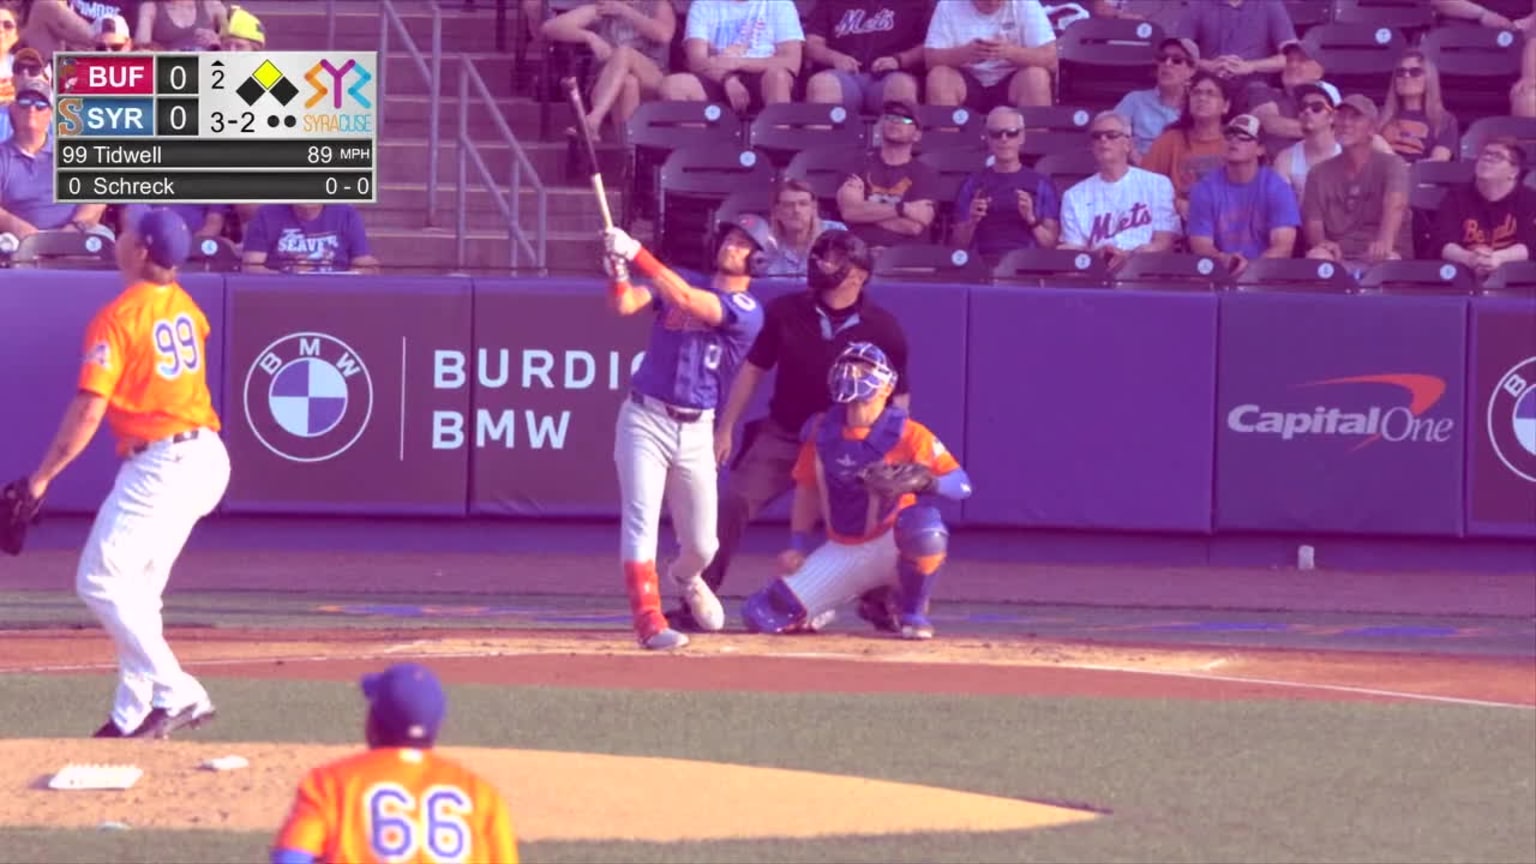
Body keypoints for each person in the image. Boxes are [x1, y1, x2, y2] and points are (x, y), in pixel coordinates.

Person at [22, 209, 226, 739]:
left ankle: (179, 691)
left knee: (99, 579)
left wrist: (41, 477)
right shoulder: (185, 304)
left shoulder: (119, 317)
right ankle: (132, 712)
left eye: (130, 232)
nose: (121, 236)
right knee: (137, 593)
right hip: (203, 456)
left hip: (165, 462)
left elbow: (90, 409)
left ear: (140, 251)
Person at [668, 229, 910, 633]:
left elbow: (898, 396)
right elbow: (752, 371)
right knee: (733, 501)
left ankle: (881, 601)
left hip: (848, 441)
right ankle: (698, 598)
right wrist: (725, 428)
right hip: (784, 433)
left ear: (859, 274)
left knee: (877, 512)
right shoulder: (784, 310)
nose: (822, 264)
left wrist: (892, 448)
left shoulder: (884, 328)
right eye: (820, 255)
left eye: (835, 259)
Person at [600, 216, 767, 650]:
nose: (732, 246)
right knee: (641, 520)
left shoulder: (749, 311)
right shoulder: (681, 279)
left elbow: (692, 302)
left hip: (697, 430)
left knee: (703, 545)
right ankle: (649, 621)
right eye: (730, 238)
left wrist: (636, 252)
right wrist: (618, 271)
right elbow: (626, 304)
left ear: (759, 260)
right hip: (646, 417)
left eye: (744, 243)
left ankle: (686, 577)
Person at [740, 341, 973, 641]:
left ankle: (910, 611)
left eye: (863, 370)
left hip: (892, 543)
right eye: (848, 366)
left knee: (925, 527)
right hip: (844, 547)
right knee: (762, 615)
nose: (852, 373)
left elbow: (962, 485)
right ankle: (844, 599)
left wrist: (929, 482)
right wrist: (797, 545)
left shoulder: (909, 433)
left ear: (886, 386)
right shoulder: (822, 431)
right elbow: (808, 490)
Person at [271, 663, 520, 864]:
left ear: (373, 723)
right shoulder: (481, 794)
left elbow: (291, 857)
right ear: (437, 725)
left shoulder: (330, 784)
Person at [1058, 110, 1180, 270]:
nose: (1103, 140)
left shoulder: (1157, 184)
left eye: (1112, 135)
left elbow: (1165, 243)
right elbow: (1073, 252)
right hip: (1097, 273)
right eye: (1097, 136)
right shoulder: (1074, 196)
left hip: (1146, 272)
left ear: (1128, 144)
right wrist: (1096, 255)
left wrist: (1129, 256)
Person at [1302, 94, 1410, 270]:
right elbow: (1313, 222)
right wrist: (1323, 244)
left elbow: (1395, 205)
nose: (1346, 123)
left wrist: (1384, 242)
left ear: (1372, 129)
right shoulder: (1318, 173)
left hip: (1382, 255)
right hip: (1339, 256)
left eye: (1355, 117)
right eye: (1341, 116)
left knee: (1388, 260)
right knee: (1317, 256)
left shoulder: (1392, 164)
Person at [543, 0, 675, 142]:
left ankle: (594, 119)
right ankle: (628, 150)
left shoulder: (657, 4)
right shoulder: (605, 8)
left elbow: (664, 34)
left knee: (624, 53)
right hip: (605, 85)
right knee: (628, 82)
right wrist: (590, 37)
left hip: (652, 81)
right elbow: (549, 28)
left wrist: (625, 11)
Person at [1186, 113, 1300, 275]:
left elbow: (1283, 248)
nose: (1234, 141)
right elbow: (1200, 245)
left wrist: (1250, 268)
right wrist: (1223, 259)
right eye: (1229, 135)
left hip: (1265, 275)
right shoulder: (1204, 189)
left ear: (1260, 149)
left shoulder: (1277, 188)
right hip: (1218, 273)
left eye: (1244, 137)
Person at [0, 75, 110, 239]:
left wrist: (75, 227)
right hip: (16, 239)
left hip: (75, 234)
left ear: (50, 114)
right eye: (24, 103)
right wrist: (18, 228)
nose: (32, 109)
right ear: (13, 109)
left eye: (40, 105)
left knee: (103, 239)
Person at [951, 105, 1060, 263]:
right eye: (996, 134)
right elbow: (957, 246)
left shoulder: (1041, 183)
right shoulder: (971, 184)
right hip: (981, 265)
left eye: (1011, 133)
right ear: (987, 138)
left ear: (1022, 137)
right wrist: (972, 222)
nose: (1004, 139)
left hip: (1027, 266)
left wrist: (1031, 219)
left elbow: (1051, 246)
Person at [657, 0, 804, 114]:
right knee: (673, 86)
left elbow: (791, 62)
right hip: (716, 76)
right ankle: (697, 143)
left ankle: (777, 141)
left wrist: (737, 63)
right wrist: (727, 79)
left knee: (778, 77)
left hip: (763, 75)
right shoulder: (703, 5)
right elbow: (697, 61)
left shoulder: (780, 4)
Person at [836, 98, 939, 251]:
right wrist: (902, 209)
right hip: (859, 254)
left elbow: (914, 226)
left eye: (905, 119)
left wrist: (866, 213)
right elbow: (850, 212)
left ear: (917, 135)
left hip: (905, 257)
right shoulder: (857, 165)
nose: (895, 121)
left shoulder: (925, 174)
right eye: (890, 117)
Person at [923, 0, 1057, 110]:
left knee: (1036, 77)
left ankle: (1036, 134)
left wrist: (1010, 52)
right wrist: (964, 54)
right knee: (939, 76)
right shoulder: (948, 5)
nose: (992, 2)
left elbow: (1051, 59)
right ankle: (945, 135)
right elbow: (930, 59)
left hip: (1011, 82)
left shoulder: (1026, 4)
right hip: (966, 81)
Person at [1434, 136, 1536, 278]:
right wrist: (1469, 258)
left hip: (1515, 279)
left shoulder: (1530, 199)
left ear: (1513, 171)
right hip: (1462, 277)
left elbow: (1531, 245)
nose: (1487, 158)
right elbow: (1443, 242)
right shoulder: (1455, 197)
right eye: (1485, 153)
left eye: (1498, 156)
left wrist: (1499, 258)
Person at [1141, 71, 1234, 221]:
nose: (1202, 98)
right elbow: (1145, 185)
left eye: (1211, 94)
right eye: (1196, 93)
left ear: (1226, 106)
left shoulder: (1236, 142)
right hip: (1176, 222)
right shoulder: (1169, 140)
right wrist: (1176, 203)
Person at [802, 0, 925, 113]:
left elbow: (930, 46)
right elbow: (811, 44)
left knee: (902, 86)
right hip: (843, 77)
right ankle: (820, 131)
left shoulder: (916, 3)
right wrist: (835, 58)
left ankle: (897, 131)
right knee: (822, 85)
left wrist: (899, 60)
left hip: (891, 76)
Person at [1112, 36, 1197, 159]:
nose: (1167, 64)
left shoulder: (1198, 107)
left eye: (1177, 60)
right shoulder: (1135, 101)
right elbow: (1109, 132)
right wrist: (1134, 155)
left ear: (1191, 71)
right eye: (1163, 58)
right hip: (1138, 168)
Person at [239, 204, 380, 274]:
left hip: (335, 294)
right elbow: (251, 266)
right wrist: (286, 277)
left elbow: (362, 262)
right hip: (281, 295)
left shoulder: (347, 214)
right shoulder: (266, 214)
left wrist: (367, 268)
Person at [755, 177, 848, 278]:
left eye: (803, 204)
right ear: (777, 211)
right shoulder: (764, 242)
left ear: (813, 208)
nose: (796, 210)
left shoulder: (835, 233)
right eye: (788, 205)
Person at [1378, 51, 1458, 166]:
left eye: (1415, 72)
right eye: (1400, 72)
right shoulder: (1379, 115)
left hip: (1420, 175)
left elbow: (1438, 162)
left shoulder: (1445, 120)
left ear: (1429, 79)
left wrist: (1406, 168)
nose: (1406, 76)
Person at [1272, 80, 1341, 204]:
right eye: (1303, 106)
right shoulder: (1285, 159)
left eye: (1317, 107)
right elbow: (1281, 209)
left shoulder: (1350, 155)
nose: (1307, 111)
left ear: (1333, 117)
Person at [1247, 39, 1326, 141]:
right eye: (1289, 60)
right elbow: (1271, 124)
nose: (1292, 65)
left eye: (1302, 60)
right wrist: (1324, 129)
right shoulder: (1262, 92)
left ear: (1319, 71)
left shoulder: (1328, 97)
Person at [135, 0, 226, 51]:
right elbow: (141, 49)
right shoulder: (149, 8)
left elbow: (231, 46)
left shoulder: (212, 5)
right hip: (167, 67)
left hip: (206, 67)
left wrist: (217, 42)